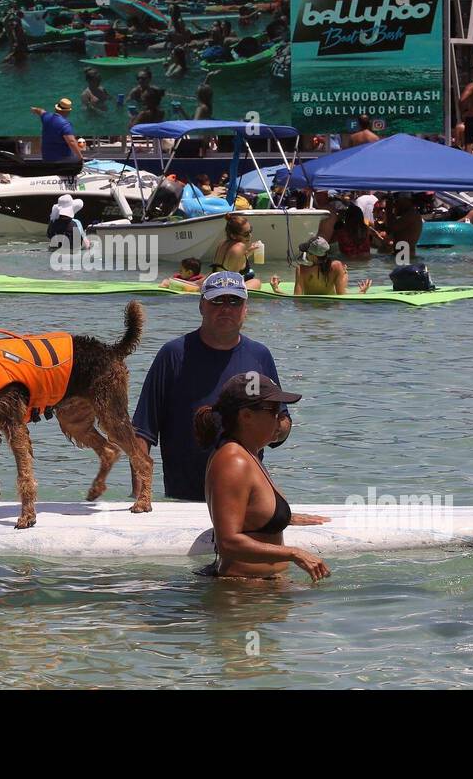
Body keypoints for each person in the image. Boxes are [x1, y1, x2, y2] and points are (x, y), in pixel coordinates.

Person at [131, 272, 293, 503]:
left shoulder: (260, 356)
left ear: (245, 308)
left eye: (234, 301)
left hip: (245, 499)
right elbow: (141, 433)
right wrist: (140, 495)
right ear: (201, 306)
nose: (226, 308)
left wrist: (276, 427)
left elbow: (282, 423)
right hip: (183, 499)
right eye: (217, 300)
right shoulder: (174, 355)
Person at [196, 373, 331, 581]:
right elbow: (229, 543)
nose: (281, 419)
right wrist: (294, 553)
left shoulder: (249, 454)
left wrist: (284, 517)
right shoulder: (233, 461)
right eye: (274, 410)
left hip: (261, 592)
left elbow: (250, 515)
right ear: (246, 416)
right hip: (243, 598)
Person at [269, 237, 371, 296]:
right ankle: (345, 275)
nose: (306, 254)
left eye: (307, 252)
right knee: (344, 272)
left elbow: (297, 299)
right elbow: (342, 296)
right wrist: (361, 292)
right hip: (330, 308)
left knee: (344, 273)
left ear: (313, 255)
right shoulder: (337, 266)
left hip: (310, 308)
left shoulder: (301, 269)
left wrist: (276, 290)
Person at [209, 214, 262, 290]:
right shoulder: (240, 247)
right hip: (223, 289)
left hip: (214, 283)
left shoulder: (223, 244)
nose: (250, 236)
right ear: (233, 235)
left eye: (250, 231)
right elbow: (233, 279)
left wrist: (249, 252)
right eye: (246, 234)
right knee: (256, 282)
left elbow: (230, 265)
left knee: (251, 277)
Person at [30, 99, 84, 168]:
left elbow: (40, 111)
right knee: (77, 158)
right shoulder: (65, 124)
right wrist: (80, 157)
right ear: (68, 111)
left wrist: (33, 109)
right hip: (61, 160)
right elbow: (71, 142)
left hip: (47, 159)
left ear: (56, 108)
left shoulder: (46, 117)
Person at [373, 192, 422, 258]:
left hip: (404, 256)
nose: (395, 204)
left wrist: (389, 206)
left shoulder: (411, 215)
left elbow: (391, 227)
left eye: (397, 201)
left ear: (405, 201)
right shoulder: (409, 214)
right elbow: (391, 229)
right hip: (402, 254)